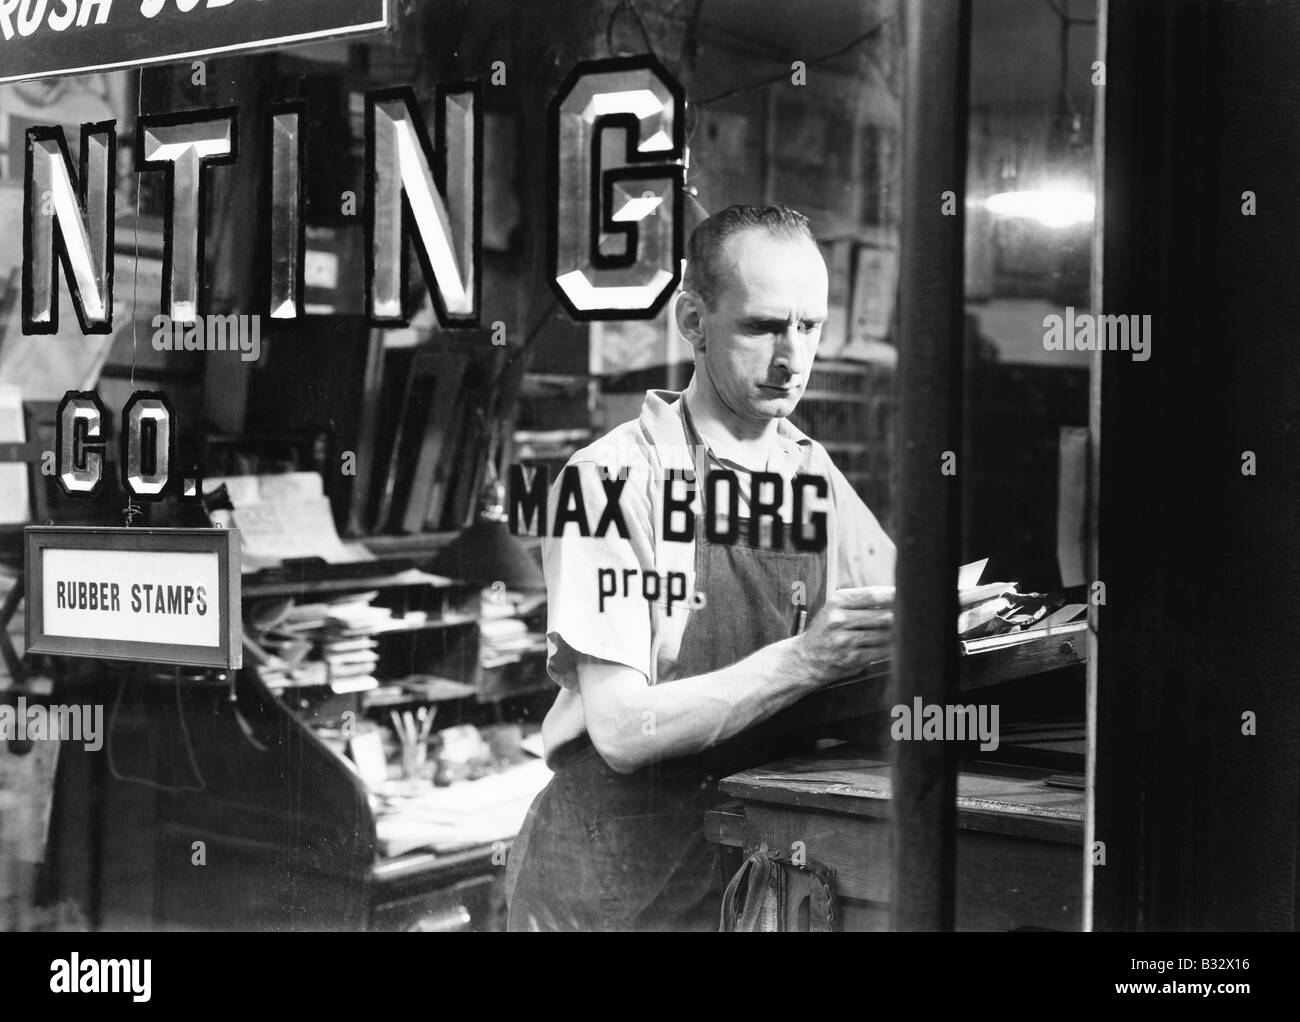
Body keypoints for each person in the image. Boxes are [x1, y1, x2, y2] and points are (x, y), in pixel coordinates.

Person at [505, 204, 896, 931]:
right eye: (762, 327)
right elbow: (622, 730)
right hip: (615, 883)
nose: (793, 358)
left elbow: (892, 610)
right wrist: (808, 660)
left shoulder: (807, 470)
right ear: (692, 320)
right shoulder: (614, 480)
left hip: (744, 864)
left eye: (809, 326)